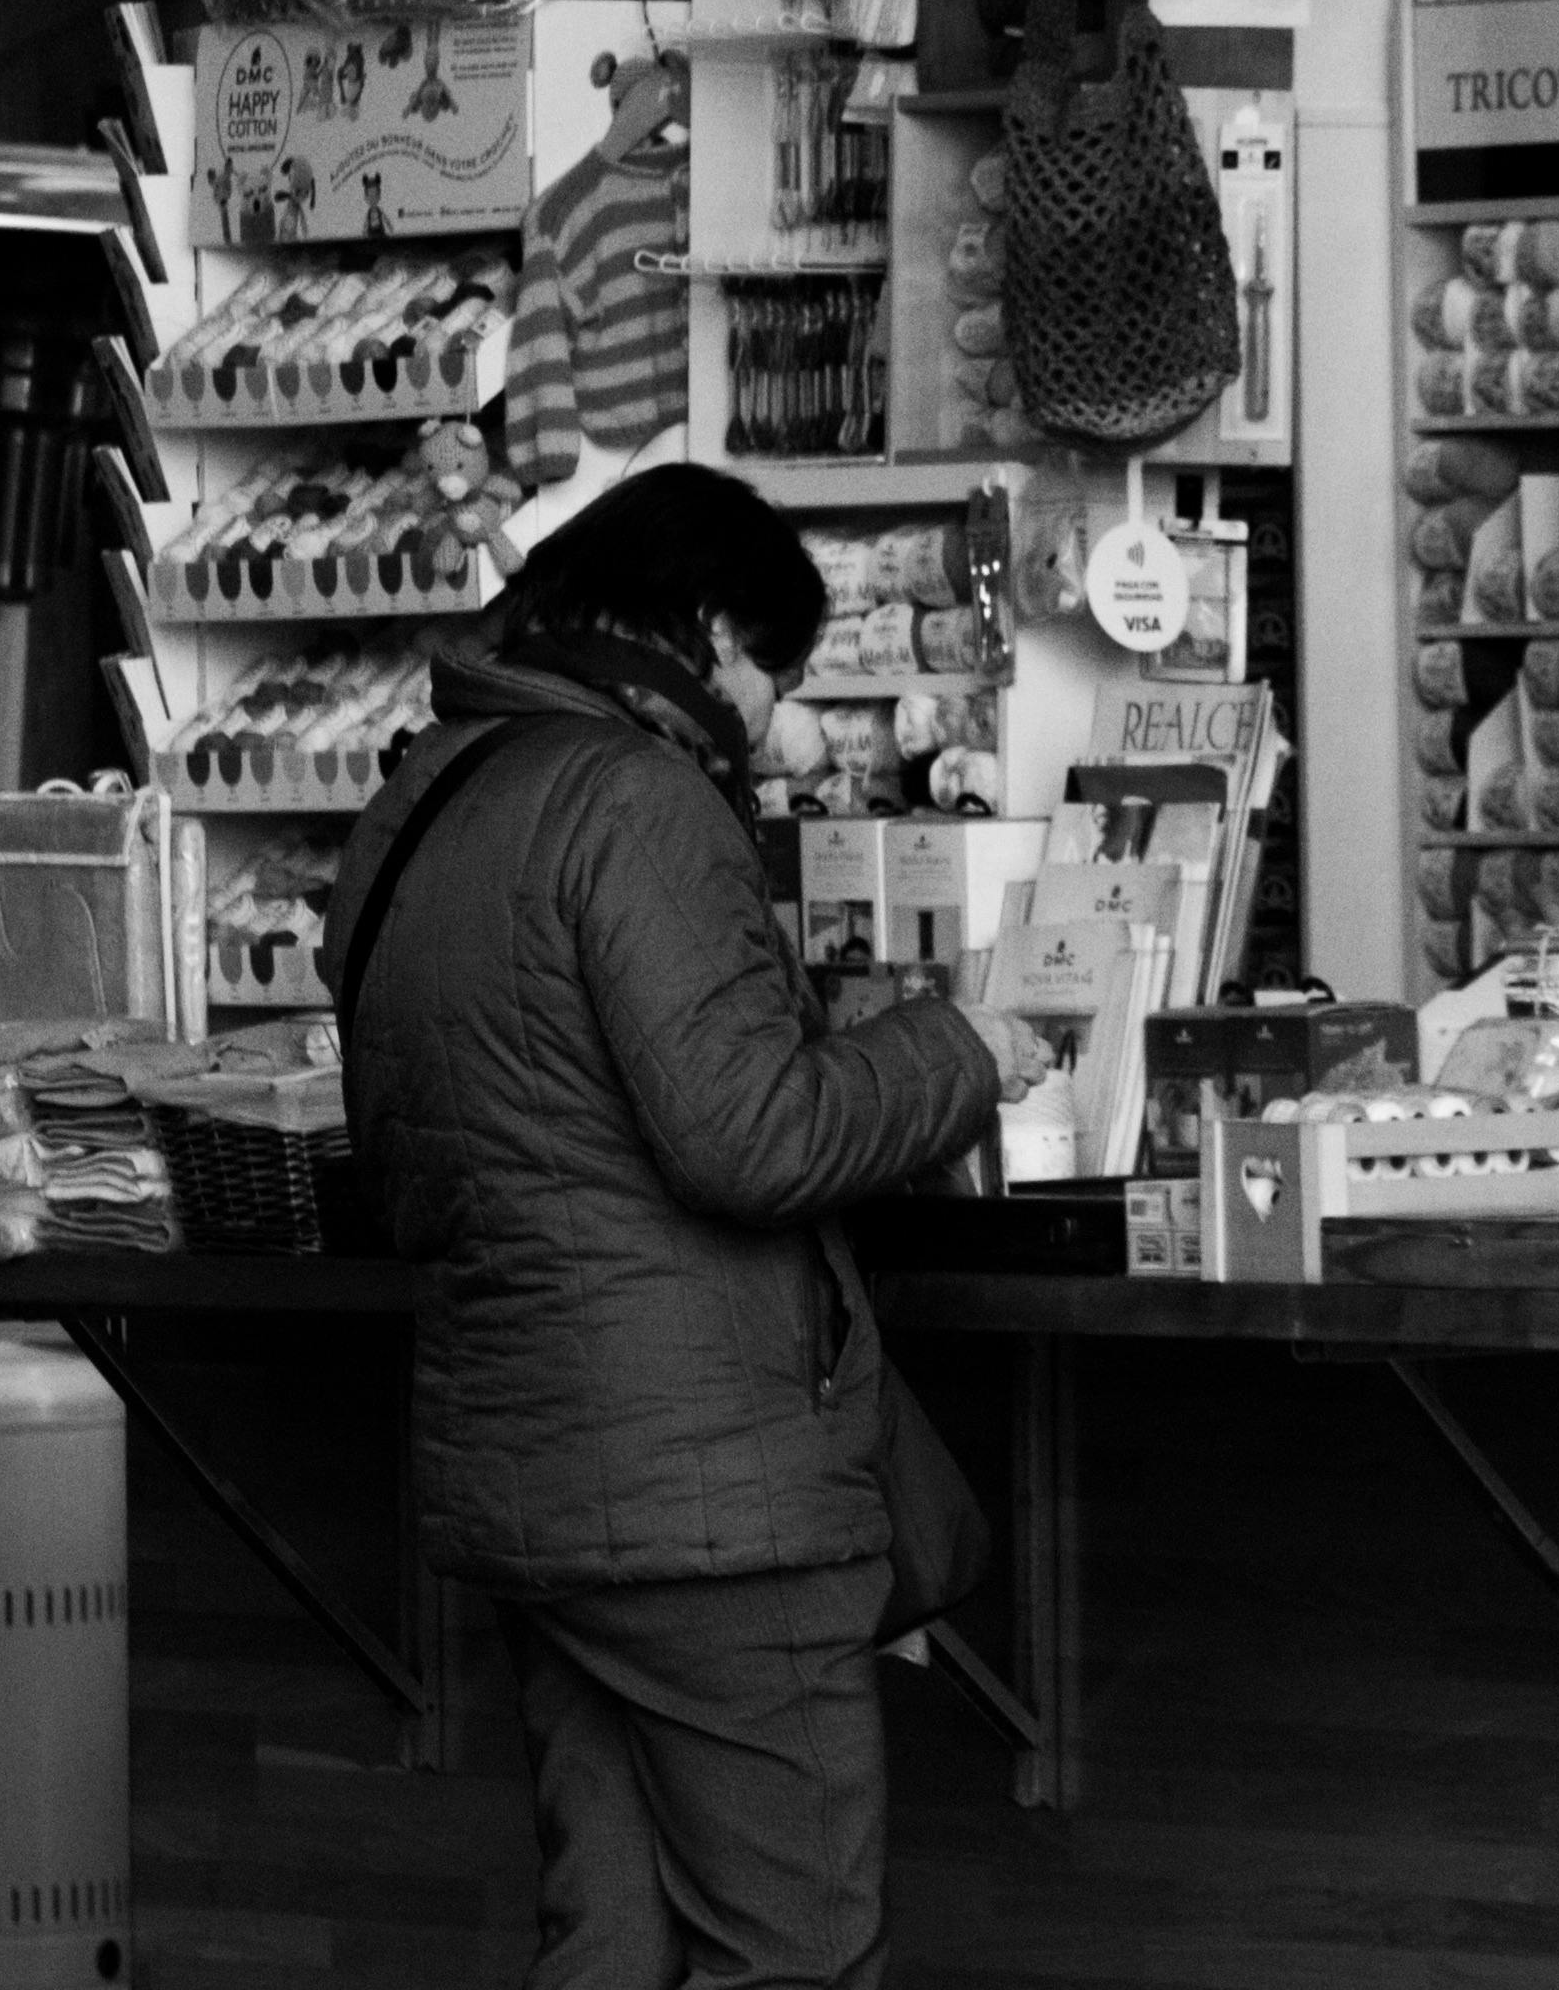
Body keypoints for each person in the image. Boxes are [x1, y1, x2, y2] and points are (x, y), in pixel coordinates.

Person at [325, 463, 1056, 1990]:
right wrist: (962, 1051)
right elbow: (752, 1134)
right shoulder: (636, 802)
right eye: (773, 669)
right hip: (705, 1507)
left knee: (609, 1940)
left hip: (532, 1485)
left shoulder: (418, 803)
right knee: (791, 1947)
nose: (774, 714)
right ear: (709, 628)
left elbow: (402, 1170)